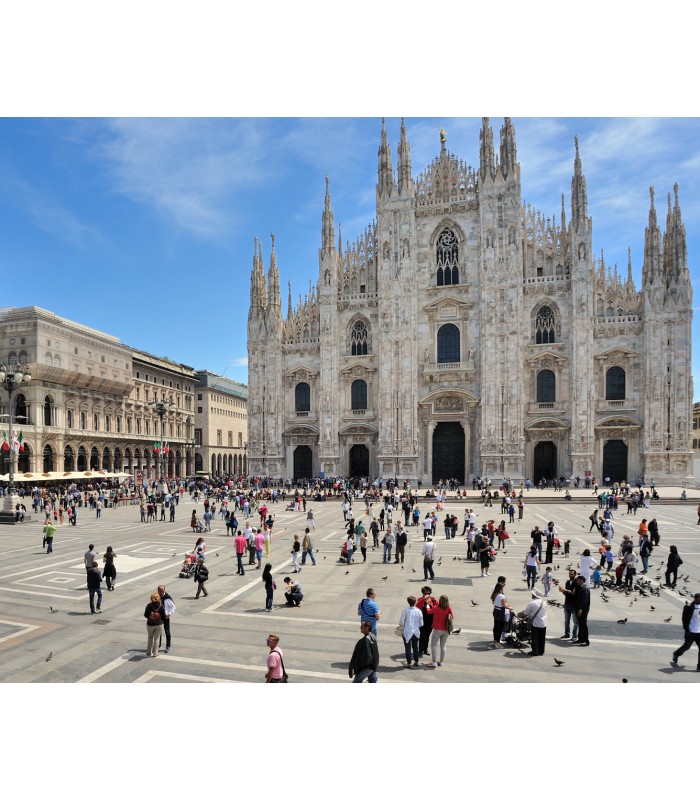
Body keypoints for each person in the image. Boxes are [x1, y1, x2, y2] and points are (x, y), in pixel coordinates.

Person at [671, 593, 700, 671]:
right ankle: (676, 653)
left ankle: (699, 666)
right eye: (699, 599)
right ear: (695, 599)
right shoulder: (688, 607)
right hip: (691, 630)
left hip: (699, 631)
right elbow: (684, 619)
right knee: (687, 646)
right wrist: (687, 629)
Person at [425, 594, 454, 668]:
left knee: (434, 645)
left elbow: (429, 612)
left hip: (437, 629)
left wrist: (427, 605)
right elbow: (452, 617)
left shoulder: (436, 608)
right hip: (446, 630)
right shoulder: (449, 608)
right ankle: (441, 662)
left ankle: (434, 662)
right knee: (443, 645)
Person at [519, 589, 547, 656]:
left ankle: (535, 652)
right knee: (542, 638)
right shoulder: (544, 602)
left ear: (534, 595)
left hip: (535, 623)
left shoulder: (532, 603)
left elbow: (526, 613)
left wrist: (519, 614)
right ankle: (541, 651)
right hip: (543, 622)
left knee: (535, 638)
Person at [398, 595, 423, 667]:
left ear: (408, 602)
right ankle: (416, 661)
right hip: (416, 632)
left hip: (407, 631)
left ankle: (409, 663)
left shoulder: (405, 610)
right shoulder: (419, 611)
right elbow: (421, 624)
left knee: (407, 648)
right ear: (415, 602)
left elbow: (401, 622)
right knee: (415, 647)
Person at [558, 569, 580, 641]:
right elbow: (566, 594)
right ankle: (567, 634)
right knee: (566, 621)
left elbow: (574, 593)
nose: (570, 575)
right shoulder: (567, 582)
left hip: (574, 604)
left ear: (575, 575)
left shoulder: (577, 583)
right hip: (567, 603)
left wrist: (565, 590)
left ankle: (575, 635)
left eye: (571, 574)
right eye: (569, 574)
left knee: (575, 621)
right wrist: (562, 591)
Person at [491, 582, 513, 649]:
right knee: (500, 628)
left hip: (495, 610)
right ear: (501, 588)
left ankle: (495, 640)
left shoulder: (494, 595)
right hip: (500, 612)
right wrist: (510, 608)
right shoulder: (502, 596)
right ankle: (497, 642)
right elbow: (504, 605)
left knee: (496, 626)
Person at [144, 592, 165, 657]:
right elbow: (164, 616)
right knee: (157, 638)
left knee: (150, 637)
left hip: (150, 624)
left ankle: (148, 652)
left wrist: (150, 617)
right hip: (159, 624)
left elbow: (145, 615)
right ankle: (155, 653)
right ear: (159, 598)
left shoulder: (148, 606)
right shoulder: (161, 606)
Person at [157, 583, 175, 653]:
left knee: (167, 631)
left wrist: (169, 613)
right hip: (159, 616)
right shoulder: (157, 596)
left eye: (162, 591)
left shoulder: (167, 598)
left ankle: (168, 646)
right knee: (158, 631)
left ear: (164, 590)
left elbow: (173, 606)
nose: (161, 592)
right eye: (160, 591)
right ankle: (158, 644)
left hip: (166, 616)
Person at [574, 575, 591, 646]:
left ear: (581, 580)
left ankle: (586, 640)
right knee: (581, 624)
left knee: (583, 625)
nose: (577, 582)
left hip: (583, 610)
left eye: (578, 580)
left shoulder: (585, 589)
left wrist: (581, 609)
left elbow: (585, 600)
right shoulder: (583, 588)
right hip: (580, 609)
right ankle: (580, 639)